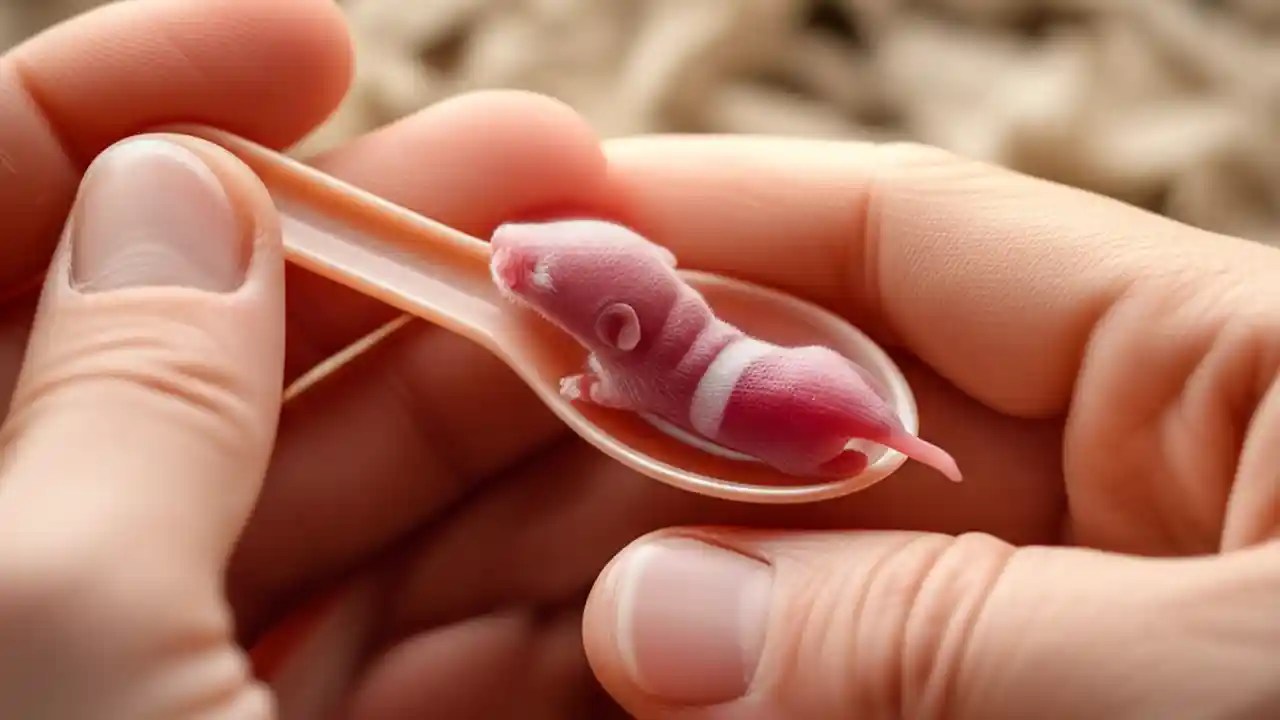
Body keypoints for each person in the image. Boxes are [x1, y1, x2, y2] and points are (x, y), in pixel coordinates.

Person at [0, 1, 1275, 718]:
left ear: (621, 322)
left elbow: (639, 383)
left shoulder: (638, 357)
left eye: (546, 277)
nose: (522, 269)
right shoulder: (634, 327)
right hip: (783, 402)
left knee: (737, 405)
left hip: (786, 411)